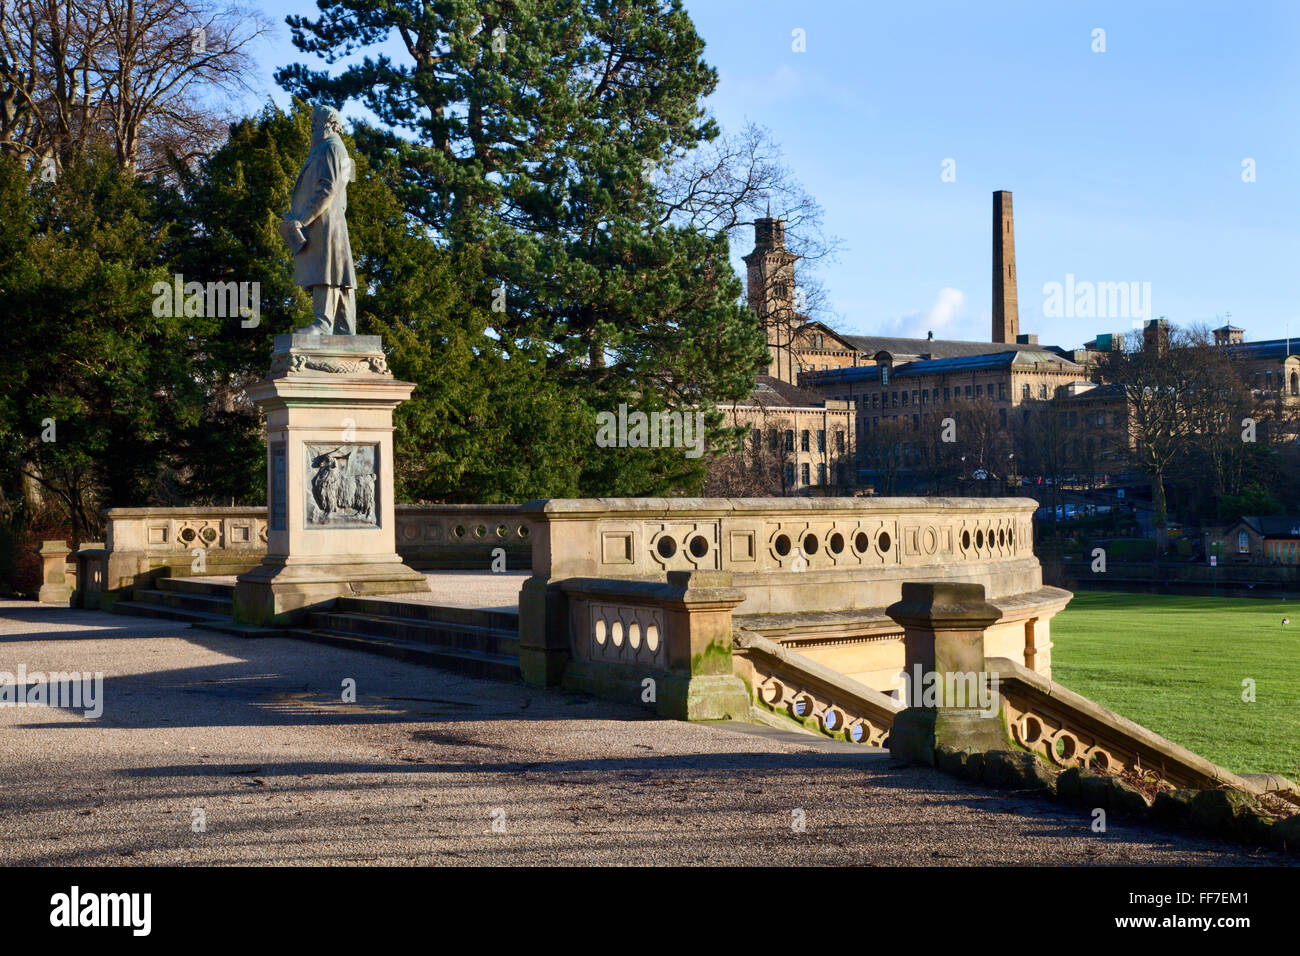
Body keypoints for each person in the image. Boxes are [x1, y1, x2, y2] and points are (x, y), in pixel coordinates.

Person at [280, 105, 357, 335]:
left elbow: (329, 188)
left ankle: (324, 323)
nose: (311, 123)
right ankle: (345, 328)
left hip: (326, 220)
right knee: (338, 273)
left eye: (316, 119)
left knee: (329, 269)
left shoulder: (331, 148)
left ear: (330, 122)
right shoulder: (331, 148)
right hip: (330, 219)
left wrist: (302, 219)